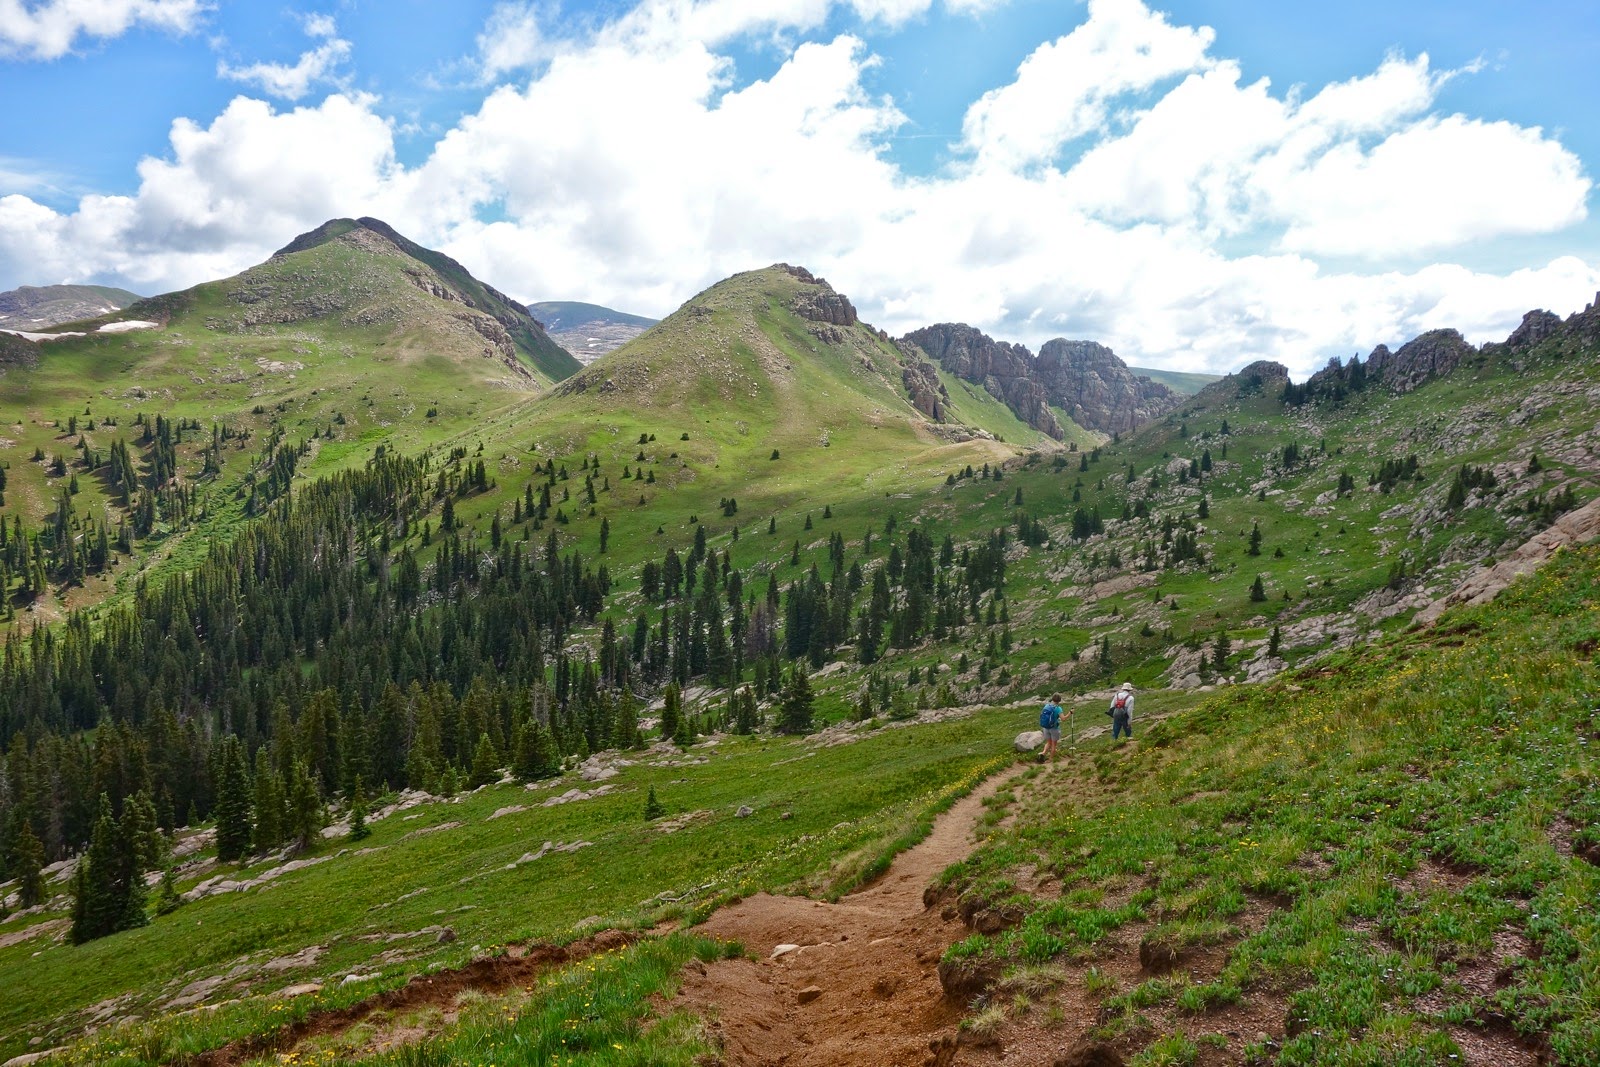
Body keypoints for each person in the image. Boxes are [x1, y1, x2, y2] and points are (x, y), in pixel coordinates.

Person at [1039, 696, 1063, 762]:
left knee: (1048, 742)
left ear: (1052, 699)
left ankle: (1043, 753)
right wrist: (1070, 713)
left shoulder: (1047, 706)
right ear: (1059, 701)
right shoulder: (1058, 708)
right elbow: (1063, 718)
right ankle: (1050, 759)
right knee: (1054, 744)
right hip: (1054, 728)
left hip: (1046, 727)